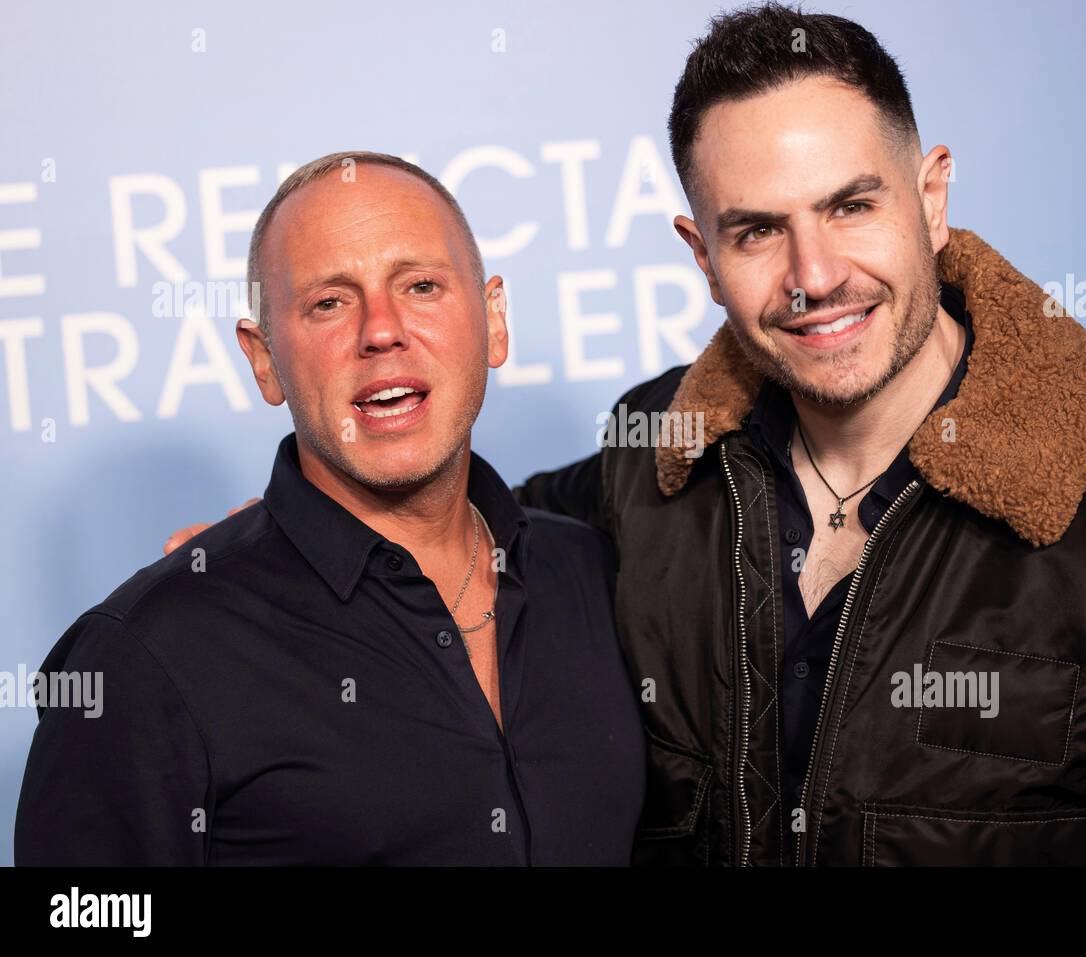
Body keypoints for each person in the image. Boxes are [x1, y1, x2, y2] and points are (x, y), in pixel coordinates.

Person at [162, 6, 1086, 866]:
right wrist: (276, 548)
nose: (814, 277)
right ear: (699, 252)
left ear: (932, 194)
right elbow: (452, 524)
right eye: (756, 230)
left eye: (851, 206)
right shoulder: (649, 459)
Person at [15, 152, 644, 865]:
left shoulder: (597, 574)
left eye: (422, 285)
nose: (382, 330)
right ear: (263, 359)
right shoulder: (148, 654)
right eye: (329, 302)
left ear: (494, 321)